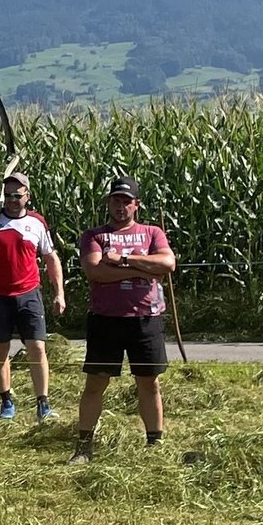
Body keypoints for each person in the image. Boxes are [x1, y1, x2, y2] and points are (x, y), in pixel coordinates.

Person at [68, 176, 177, 465]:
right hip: (106, 320)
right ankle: (83, 447)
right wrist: (143, 270)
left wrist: (123, 261)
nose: (121, 207)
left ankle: (154, 444)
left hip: (146, 318)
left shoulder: (152, 232)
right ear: (109, 203)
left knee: (149, 383)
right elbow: (95, 272)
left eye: (127, 202)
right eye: (116, 201)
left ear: (136, 205)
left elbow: (167, 263)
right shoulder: (94, 236)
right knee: (96, 383)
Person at [0, 173, 66, 422]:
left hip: (29, 294)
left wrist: (59, 293)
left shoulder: (36, 223)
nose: (11, 200)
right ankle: (6, 401)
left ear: (27, 197)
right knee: (0, 350)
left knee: (37, 348)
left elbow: (51, 257)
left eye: (16, 196)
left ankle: (43, 403)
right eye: (7, 195)